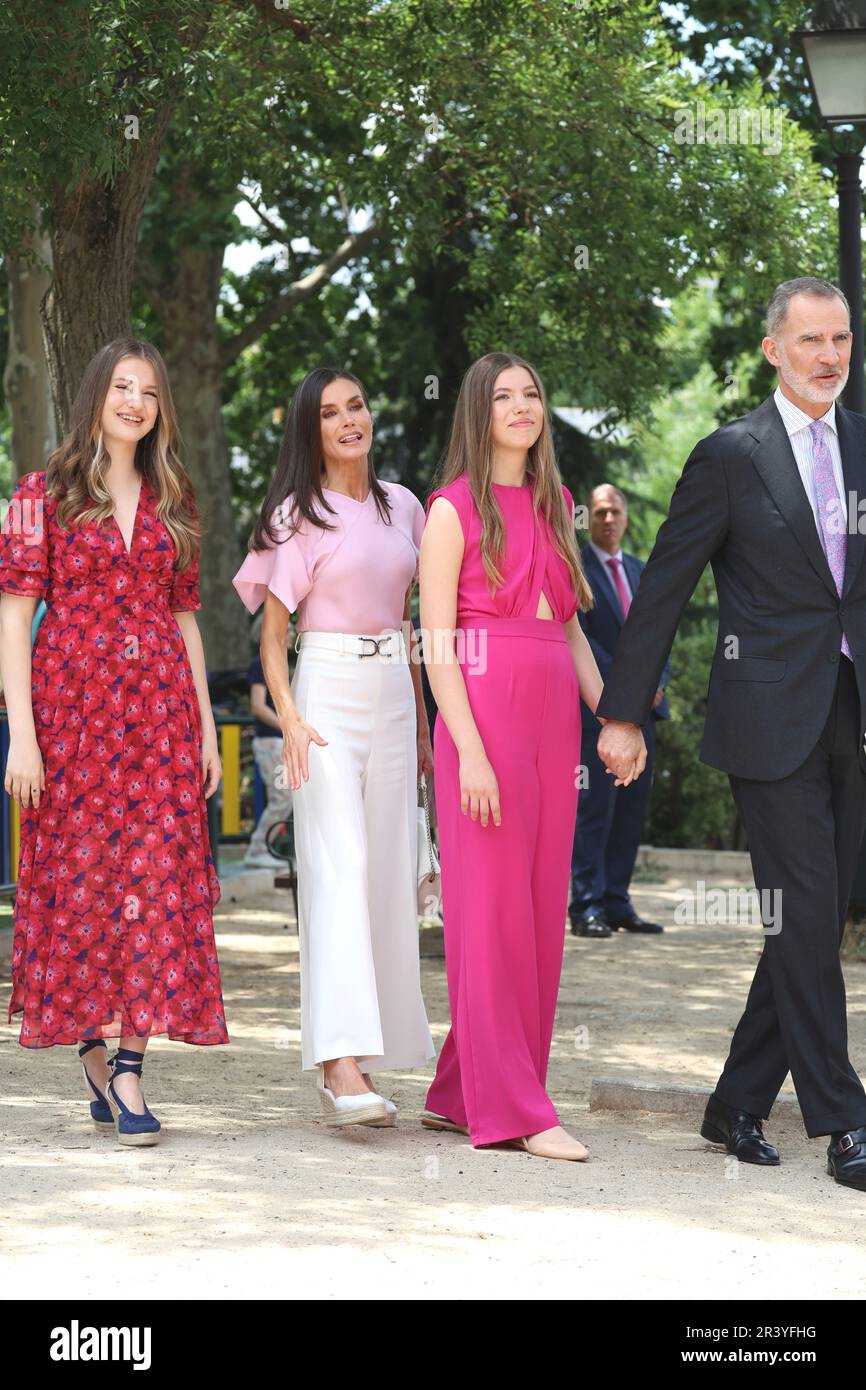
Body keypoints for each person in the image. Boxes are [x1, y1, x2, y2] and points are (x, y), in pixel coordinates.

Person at [597, 276, 866, 1191]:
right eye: (811, 341)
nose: (830, 355)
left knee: (814, 918)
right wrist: (624, 713)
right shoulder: (731, 455)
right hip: (768, 720)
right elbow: (664, 585)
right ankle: (844, 1118)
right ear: (773, 351)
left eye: (841, 339)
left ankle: (737, 1100)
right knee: (806, 912)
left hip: (853, 711)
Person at [0, 337, 227, 1148]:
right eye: (123, 387)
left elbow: (185, 617)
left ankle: (129, 1062)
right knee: (82, 880)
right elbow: (14, 616)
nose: (136, 401)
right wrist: (20, 736)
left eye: (152, 392)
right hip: (72, 722)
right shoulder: (40, 493)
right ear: (96, 394)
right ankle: (92, 1048)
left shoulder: (174, 496)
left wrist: (204, 724)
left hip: (161, 718)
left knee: (159, 878)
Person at [419, 351, 625, 1162]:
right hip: (483, 718)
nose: (521, 406)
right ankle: (515, 1109)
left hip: (551, 723)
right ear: (478, 412)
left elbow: (570, 625)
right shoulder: (450, 509)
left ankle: (461, 1091)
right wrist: (466, 750)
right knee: (492, 913)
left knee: (538, 911)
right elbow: (435, 642)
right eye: (502, 396)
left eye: (531, 392)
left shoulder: (558, 502)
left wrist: (612, 720)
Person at [232, 367, 435, 1127]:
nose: (349, 420)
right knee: (336, 867)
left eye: (356, 406)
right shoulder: (295, 515)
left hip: (390, 692)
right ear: (308, 430)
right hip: (321, 696)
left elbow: (409, 623)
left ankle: (367, 1056)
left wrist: (419, 724)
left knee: (384, 870)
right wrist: (287, 716)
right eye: (329, 412)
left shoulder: (406, 508)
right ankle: (338, 1064)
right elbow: (273, 639)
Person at [570, 483, 670, 938]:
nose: (608, 519)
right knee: (595, 811)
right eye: (599, 512)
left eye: (615, 511)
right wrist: (628, 684)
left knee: (630, 812)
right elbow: (581, 639)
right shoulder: (578, 570)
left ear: (626, 517)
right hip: (600, 714)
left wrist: (657, 681)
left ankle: (617, 902)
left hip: (644, 716)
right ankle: (587, 905)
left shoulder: (640, 570)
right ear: (587, 519)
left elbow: (657, 632)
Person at [243, 614, 296, 869]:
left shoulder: (284, 664)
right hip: (269, 740)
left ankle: (263, 847)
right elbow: (257, 705)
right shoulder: (260, 662)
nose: (292, 634)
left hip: (278, 740)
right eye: (288, 629)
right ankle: (257, 849)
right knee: (283, 797)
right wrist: (287, 724)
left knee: (286, 797)